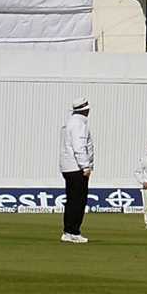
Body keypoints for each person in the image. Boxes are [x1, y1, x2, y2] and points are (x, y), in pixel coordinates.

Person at [60, 99, 95, 243]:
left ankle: (68, 231)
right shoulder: (79, 124)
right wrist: (85, 166)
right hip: (76, 168)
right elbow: (79, 146)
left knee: (72, 200)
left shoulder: (69, 123)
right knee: (78, 201)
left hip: (68, 167)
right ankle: (74, 231)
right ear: (85, 110)